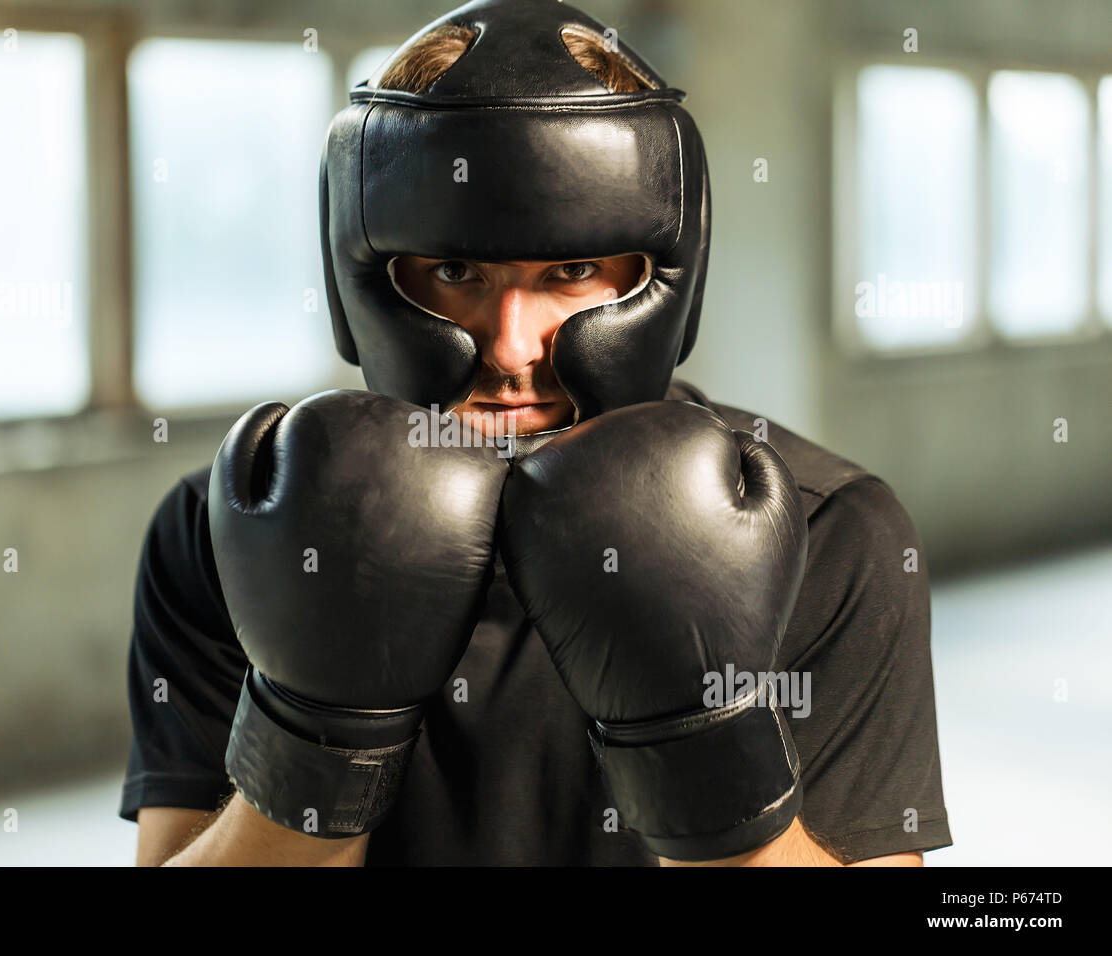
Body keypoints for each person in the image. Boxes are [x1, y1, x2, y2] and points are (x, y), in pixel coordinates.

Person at [119, 0, 952, 866]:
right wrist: (313, 740)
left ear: (672, 279)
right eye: (454, 272)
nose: (511, 347)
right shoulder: (226, 527)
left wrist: (698, 745)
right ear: (355, 284)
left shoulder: (830, 531)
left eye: (574, 272)